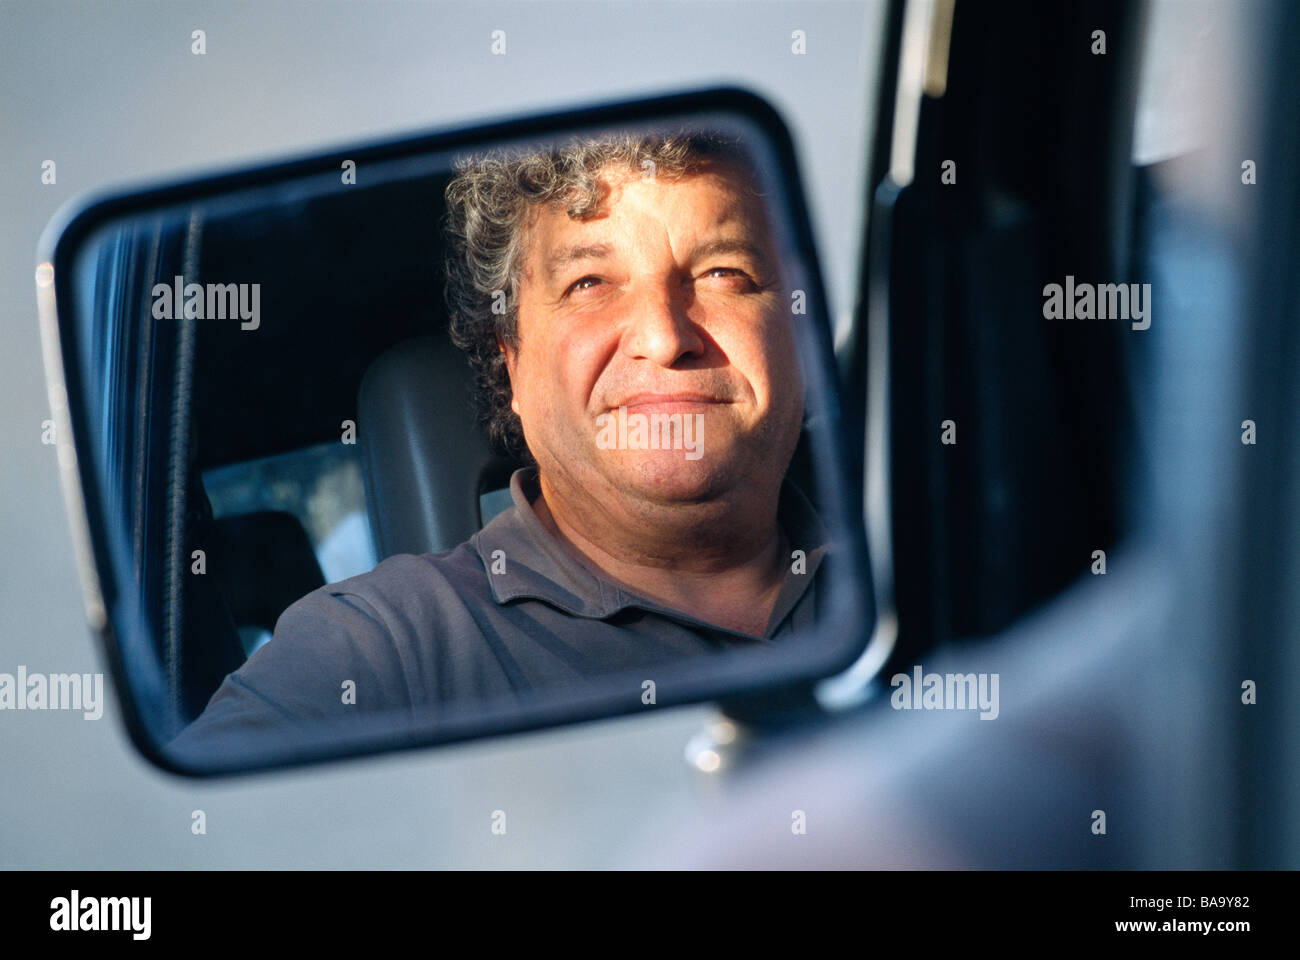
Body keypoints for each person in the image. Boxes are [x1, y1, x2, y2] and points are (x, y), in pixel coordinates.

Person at [168, 130, 829, 756]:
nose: (663, 336)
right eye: (589, 284)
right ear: (513, 365)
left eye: (724, 273)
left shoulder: (917, 549)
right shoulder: (382, 650)